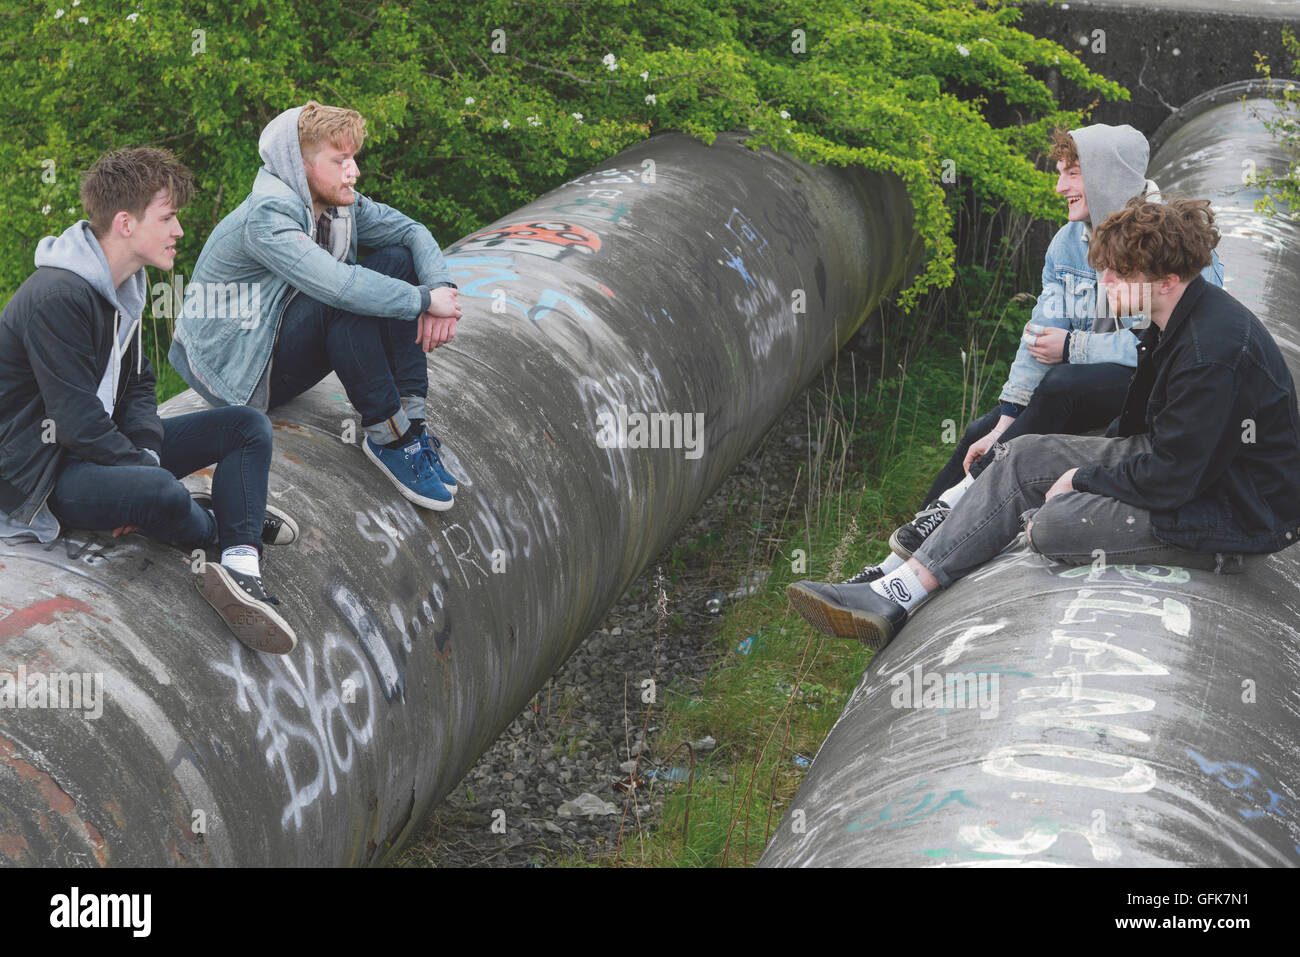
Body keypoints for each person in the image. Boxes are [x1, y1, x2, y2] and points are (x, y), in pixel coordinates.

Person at [789, 198, 1300, 649]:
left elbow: (1173, 477)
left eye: (1118, 276)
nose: (1103, 284)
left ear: (1166, 282)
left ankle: (1220, 558)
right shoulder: (1170, 318)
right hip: (1185, 468)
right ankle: (896, 591)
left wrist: (1081, 479)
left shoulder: (1210, 353)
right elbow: (1140, 437)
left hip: (1232, 512)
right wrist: (1070, 462)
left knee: (1054, 526)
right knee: (1026, 453)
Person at [845, 124, 1224, 583]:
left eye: (1073, 173)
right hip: (1078, 391)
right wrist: (1005, 421)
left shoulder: (1167, 238)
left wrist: (1074, 346)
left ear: (1107, 175)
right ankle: (893, 567)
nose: (1059, 186)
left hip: (1151, 395)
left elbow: (1179, 343)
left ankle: (955, 506)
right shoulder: (1067, 243)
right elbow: (1039, 340)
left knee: (1064, 382)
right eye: (1060, 172)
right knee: (977, 432)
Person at [0, 148, 299, 655]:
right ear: (124, 223)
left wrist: (146, 457)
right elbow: (74, 422)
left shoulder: (126, 287)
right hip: (41, 476)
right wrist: (140, 476)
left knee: (246, 426)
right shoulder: (57, 296)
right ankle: (215, 525)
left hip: (95, 454)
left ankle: (241, 563)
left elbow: (139, 388)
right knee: (160, 493)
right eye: (168, 217)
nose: (179, 230)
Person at [169, 100, 463, 511]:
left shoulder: (337, 204)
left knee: (397, 259)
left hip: (276, 334)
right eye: (341, 160)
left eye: (353, 159)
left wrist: (438, 287)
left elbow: (412, 231)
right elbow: (340, 287)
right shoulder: (268, 216)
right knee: (344, 298)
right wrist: (424, 300)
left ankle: (412, 424)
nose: (354, 172)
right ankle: (388, 437)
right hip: (238, 372)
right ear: (299, 164)